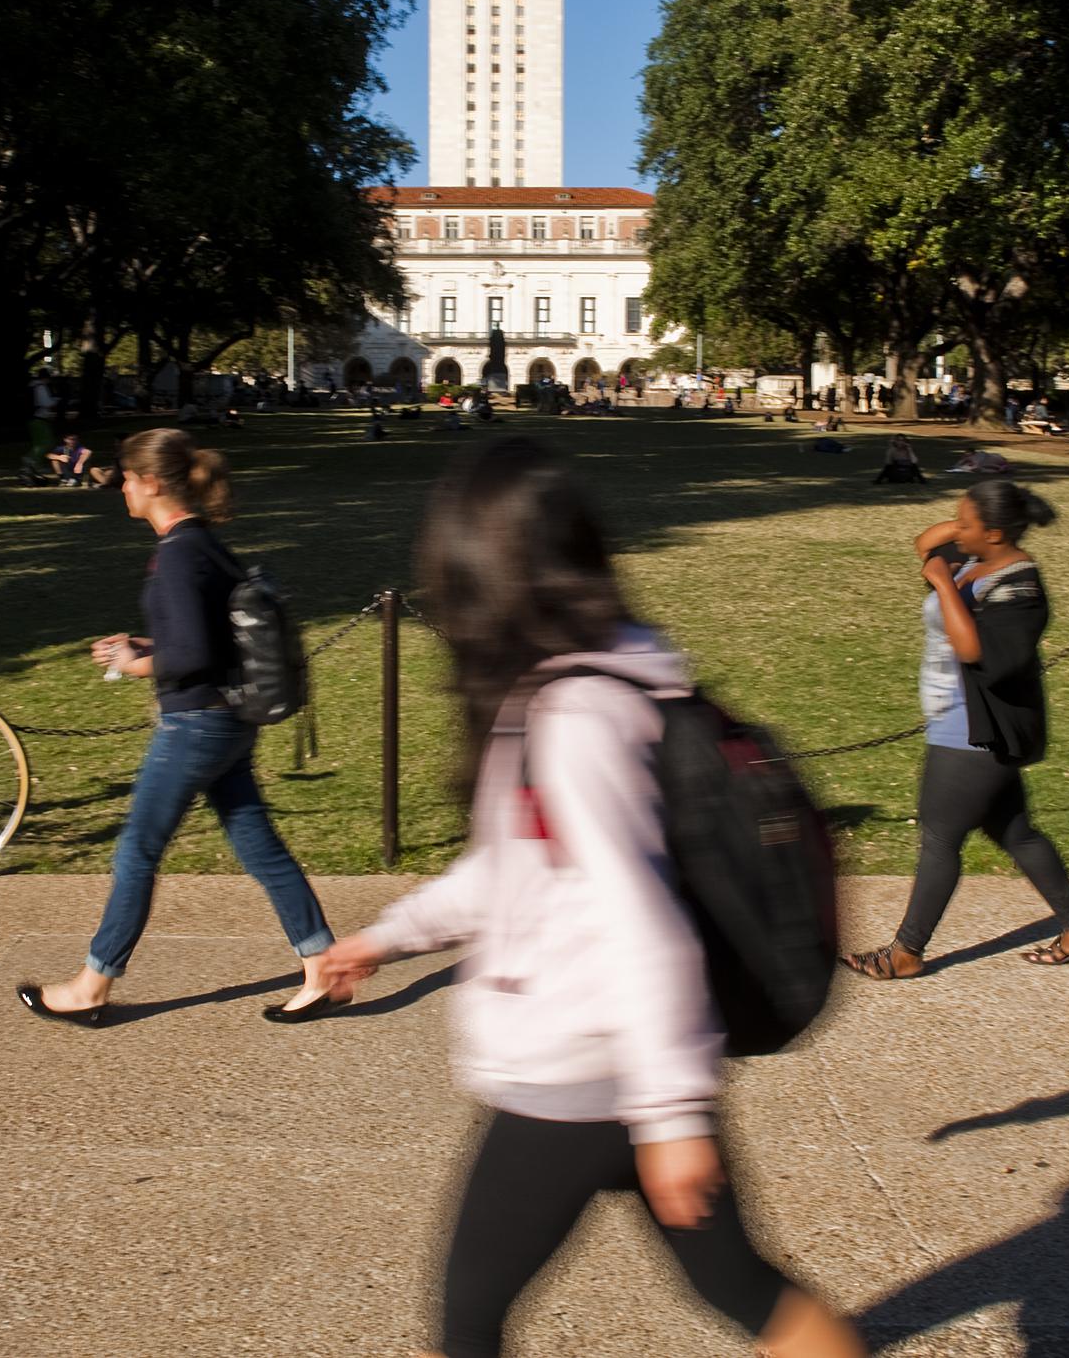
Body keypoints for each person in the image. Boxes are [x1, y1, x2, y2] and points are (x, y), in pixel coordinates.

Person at [314, 439, 867, 1358]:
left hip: (581, 1074)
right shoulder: (595, 682)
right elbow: (515, 870)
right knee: (742, 1287)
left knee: (470, 1320)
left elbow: (637, 916)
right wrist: (389, 936)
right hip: (621, 1065)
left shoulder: (575, 715)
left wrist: (671, 1113)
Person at [17, 429, 343, 1027]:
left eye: (126, 477)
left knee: (137, 850)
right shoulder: (205, 544)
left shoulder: (176, 553)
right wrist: (147, 642)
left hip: (195, 724)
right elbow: (212, 637)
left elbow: (192, 653)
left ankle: (91, 986)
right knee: (259, 846)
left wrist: (134, 663)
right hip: (229, 720)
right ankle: (323, 967)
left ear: (151, 483)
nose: (120, 486)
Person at [841, 479, 1069, 980]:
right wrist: (967, 523)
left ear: (996, 534)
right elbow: (924, 542)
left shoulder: (1020, 588)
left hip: (973, 728)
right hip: (954, 716)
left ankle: (906, 951)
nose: (954, 532)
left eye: (966, 525)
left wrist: (944, 585)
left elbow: (976, 652)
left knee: (940, 837)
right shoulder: (974, 558)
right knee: (1016, 833)